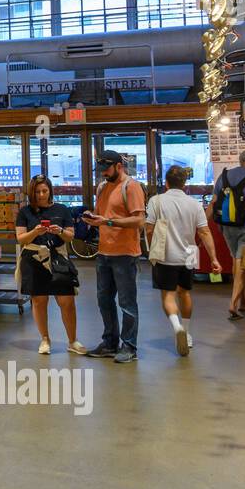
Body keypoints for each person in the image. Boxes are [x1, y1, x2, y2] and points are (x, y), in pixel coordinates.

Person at [147, 165, 223, 356]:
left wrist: (151, 248)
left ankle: (176, 327)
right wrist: (214, 259)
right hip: (189, 253)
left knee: (168, 295)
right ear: (184, 183)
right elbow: (204, 232)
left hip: (166, 253)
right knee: (185, 293)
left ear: (166, 183)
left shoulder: (156, 201)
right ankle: (187, 333)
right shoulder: (194, 204)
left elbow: (148, 229)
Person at [82, 150, 147, 364]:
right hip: (104, 253)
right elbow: (102, 214)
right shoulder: (102, 187)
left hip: (125, 254)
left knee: (127, 303)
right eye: (101, 170)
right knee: (104, 300)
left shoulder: (132, 187)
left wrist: (108, 222)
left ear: (119, 166)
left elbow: (139, 220)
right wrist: (92, 219)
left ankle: (129, 346)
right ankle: (110, 343)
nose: (103, 174)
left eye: (106, 170)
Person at [14, 175, 86, 356]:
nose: (41, 195)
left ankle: (72, 340)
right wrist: (34, 232)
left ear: (50, 191)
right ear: (32, 193)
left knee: (67, 301)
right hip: (33, 258)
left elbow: (70, 236)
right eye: (37, 192)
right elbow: (20, 238)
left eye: (44, 191)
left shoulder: (62, 210)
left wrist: (59, 230)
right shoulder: (25, 212)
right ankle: (45, 338)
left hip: (58, 258)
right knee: (39, 301)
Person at [207, 148, 245, 320]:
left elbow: (214, 201)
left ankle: (243, 301)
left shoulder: (224, 176)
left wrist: (203, 224)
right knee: (242, 264)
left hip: (226, 226)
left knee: (237, 260)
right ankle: (233, 304)